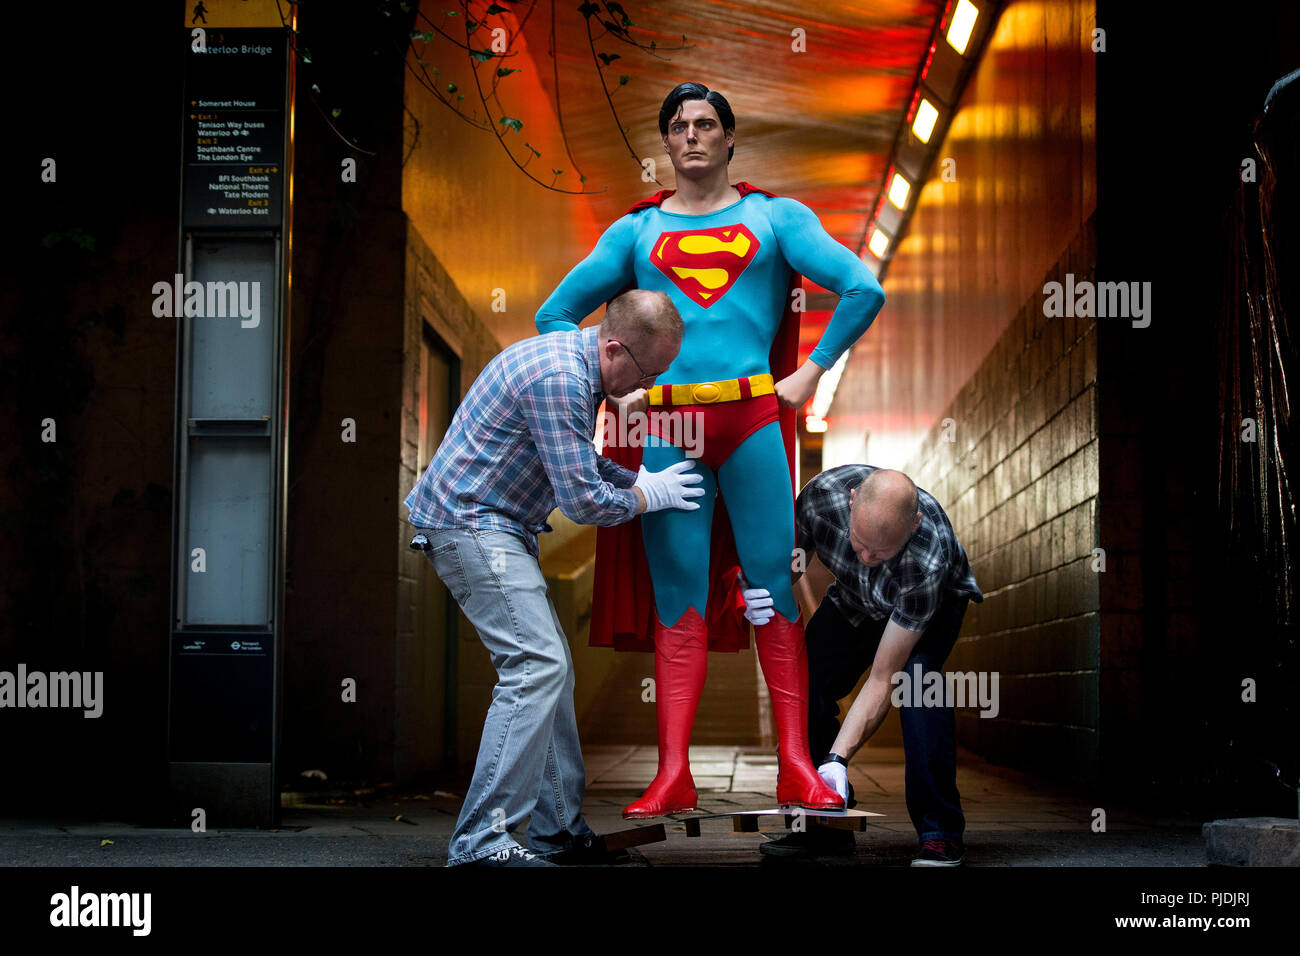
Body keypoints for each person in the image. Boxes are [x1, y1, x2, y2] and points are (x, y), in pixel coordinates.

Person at [534, 82, 887, 818]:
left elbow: (862, 288)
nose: (691, 135)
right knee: (679, 602)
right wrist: (612, 393)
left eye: (705, 124)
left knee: (771, 591)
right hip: (668, 428)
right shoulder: (633, 234)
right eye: (677, 126)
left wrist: (810, 371)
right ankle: (672, 774)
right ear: (665, 144)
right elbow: (554, 315)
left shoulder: (776, 217)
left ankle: (796, 764)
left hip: (754, 420)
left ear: (729, 139)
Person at [404, 289, 704, 867]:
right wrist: (649, 494)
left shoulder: (578, 369)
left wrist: (645, 480)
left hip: (496, 527)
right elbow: (583, 500)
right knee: (537, 665)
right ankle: (481, 843)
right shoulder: (560, 379)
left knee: (549, 669)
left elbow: (579, 462)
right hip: (470, 525)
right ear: (615, 349)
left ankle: (555, 832)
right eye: (647, 373)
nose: (645, 389)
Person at [743, 465, 983, 866]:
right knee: (805, 683)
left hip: (929, 607)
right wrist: (756, 594)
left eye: (882, 551)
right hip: (855, 600)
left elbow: (882, 677)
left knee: (919, 688)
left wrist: (837, 759)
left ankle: (939, 832)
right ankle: (825, 825)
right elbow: (788, 567)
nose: (868, 557)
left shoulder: (927, 554)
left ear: (914, 524)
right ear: (852, 501)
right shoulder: (821, 499)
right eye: (859, 544)